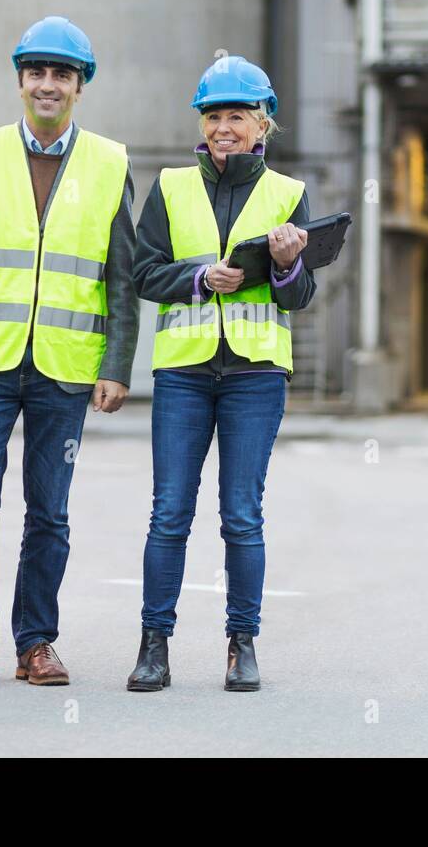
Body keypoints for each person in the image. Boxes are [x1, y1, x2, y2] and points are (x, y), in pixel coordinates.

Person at [0, 16, 138, 689]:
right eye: (37, 72)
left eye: (62, 75)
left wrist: (115, 364)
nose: (49, 85)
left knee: (50, 511)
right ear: (20, 81)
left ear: (80, 87)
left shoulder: (110, 162)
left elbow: (121, 274)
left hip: (66, 369)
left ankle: (36, 642)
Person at [127, 56, 315, 692]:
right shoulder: (171, 187)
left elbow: (298, 296)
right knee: (169, 514)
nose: (225, 126)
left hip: (255, 375)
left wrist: (289, 266)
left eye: (238, 115)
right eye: (214, 115)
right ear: (201, 124)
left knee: (241, 515)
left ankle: (242, 643)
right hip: (184, 372)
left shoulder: (287, 194)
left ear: (264, 124)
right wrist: (200, 279)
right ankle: (154, 644)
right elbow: (144, 271)